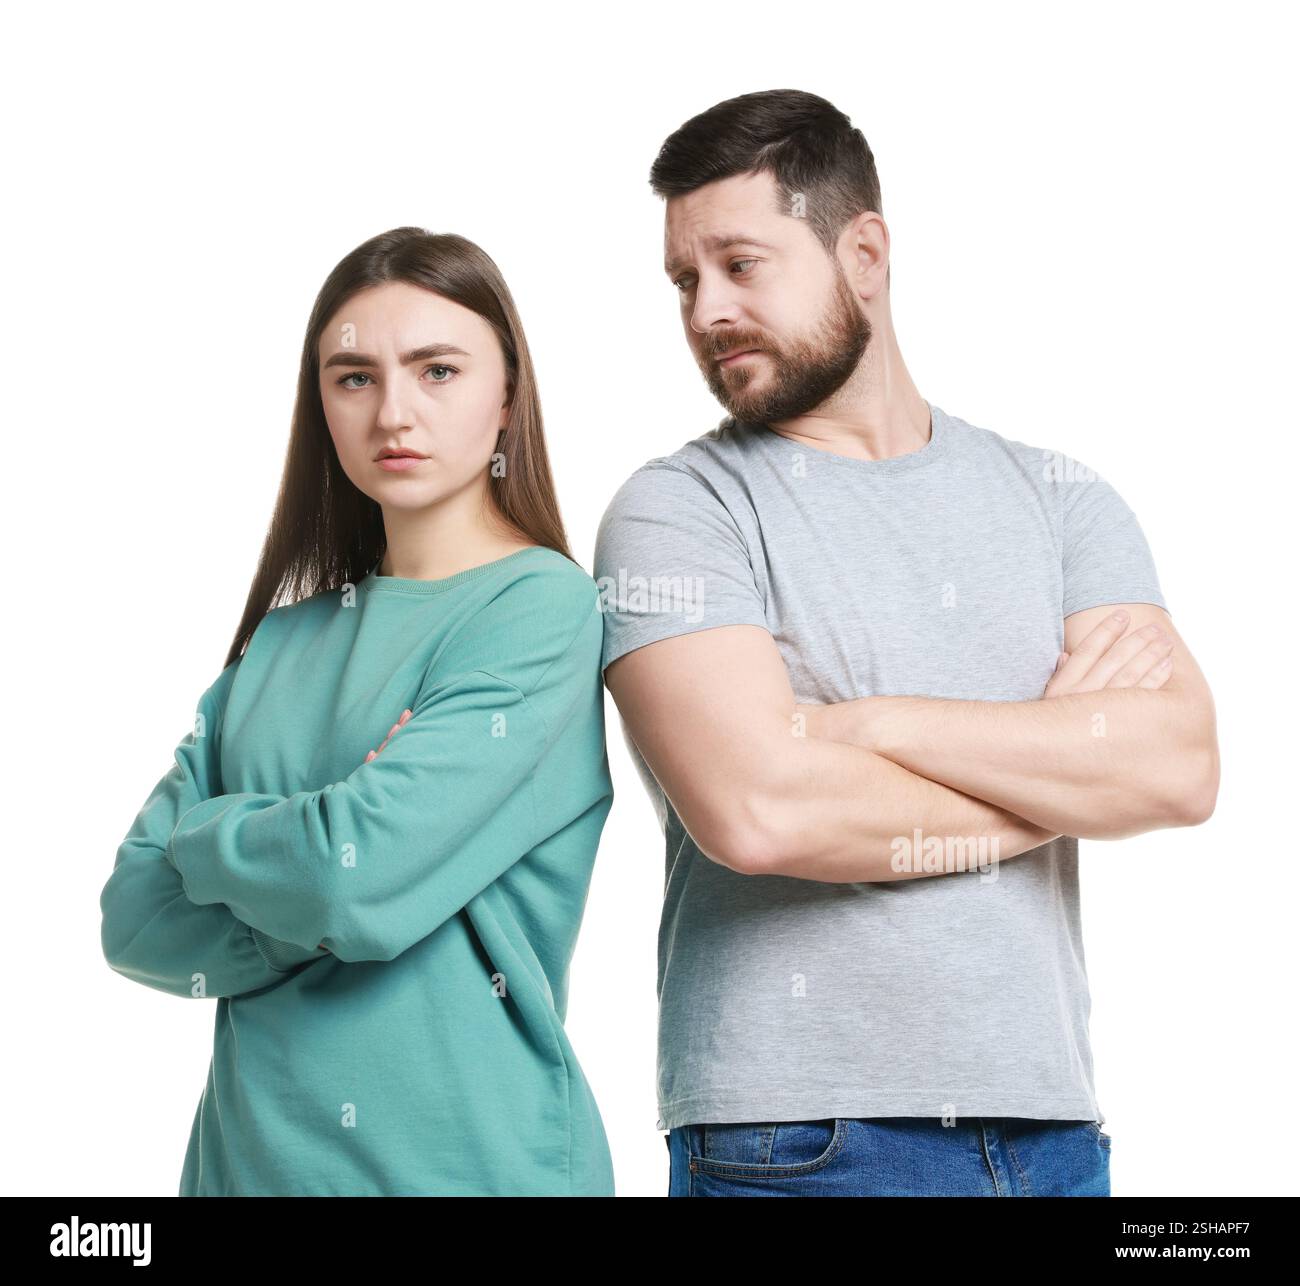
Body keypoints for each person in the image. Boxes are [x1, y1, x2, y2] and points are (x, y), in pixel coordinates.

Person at [594, 89, 1219, 1196]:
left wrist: (869, 725)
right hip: (796, 1133)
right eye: (684, 282)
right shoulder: (676, 511)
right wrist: (1064, 770)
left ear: (865, 252)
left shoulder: (1057, 497)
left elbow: (1176, 767)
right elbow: (760, 809)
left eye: (741, 264)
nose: (705, 310)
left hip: (1049, 1126)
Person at [100, 227, 615, 1196]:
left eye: (437, 369)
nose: (394, 411)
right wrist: (319, 856)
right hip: (242, 1174)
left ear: (507, 394)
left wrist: (206, 839)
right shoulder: (281, 641)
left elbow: (347, 881)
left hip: (471, 1170)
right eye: (353, 376)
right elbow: (135, 920)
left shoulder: (540, 608)